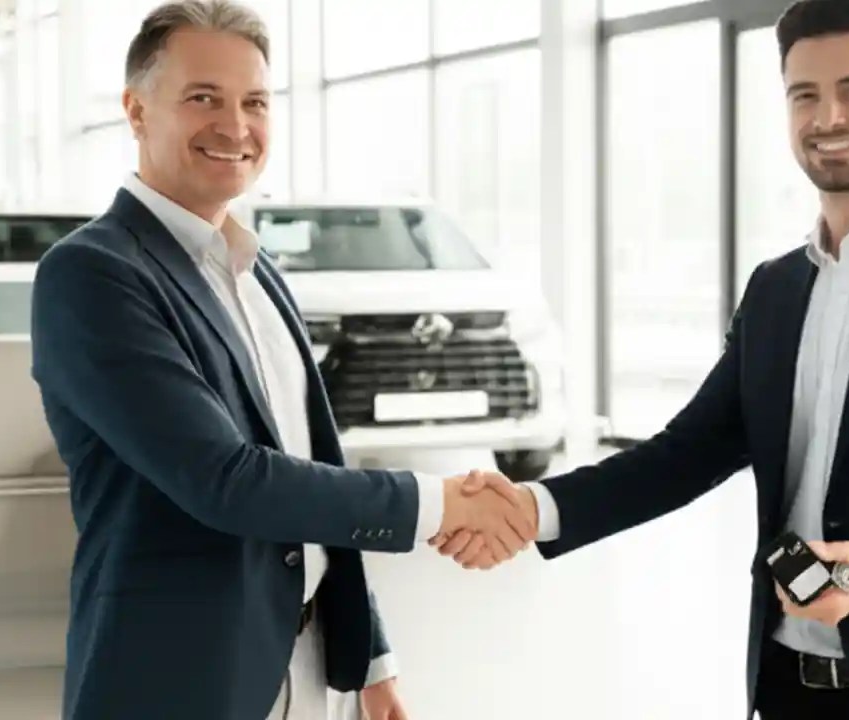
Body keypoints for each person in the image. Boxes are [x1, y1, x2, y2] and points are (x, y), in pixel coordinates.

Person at [435, 1, 849, 718]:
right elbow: (686, 453)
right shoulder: (778, 288)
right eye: (804, 95)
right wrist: (532, 508)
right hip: (788, 686)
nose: (828, 118)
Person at [29, 2, 535, 719]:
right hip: (178, 683)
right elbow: (225, 481)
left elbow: (314, 467)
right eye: (203, 97)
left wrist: (371, 660)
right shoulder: (91, 275)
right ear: (136, 111)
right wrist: (444, 503)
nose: (235, 127)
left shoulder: (258, 272)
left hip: (307, 668)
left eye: (255, 102)